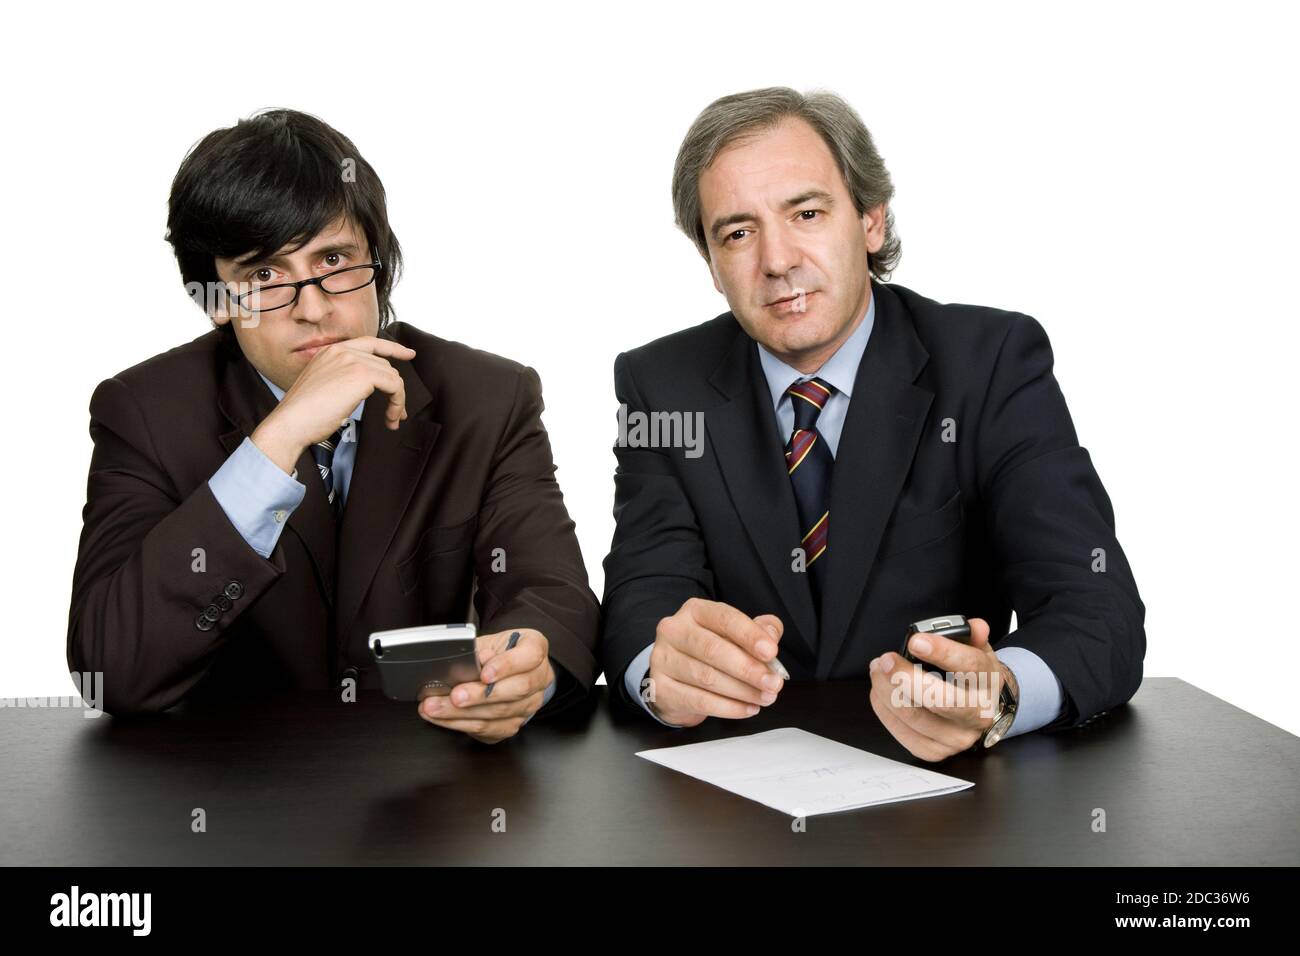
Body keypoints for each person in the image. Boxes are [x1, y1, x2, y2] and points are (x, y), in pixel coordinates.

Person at [600, 87, 1145, 760]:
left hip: (953, 804)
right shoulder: (662, 385)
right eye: (737, 233)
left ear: (871, 222)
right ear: (712, 265)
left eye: (806, 212)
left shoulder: (990, 364)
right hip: (729, 799)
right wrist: (662, 675)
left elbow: (1097, 609)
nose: (776, 261)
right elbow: (641, 594)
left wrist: (1000, 694)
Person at [67, 109, 599, 743]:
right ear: (215, 300)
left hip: (430, 788)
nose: (313, 308)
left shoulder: (488, 395)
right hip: (224, 793)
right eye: (263, 275)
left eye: (336, 259)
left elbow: (552, 594)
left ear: (380, 260)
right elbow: (110, 667)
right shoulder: (144, 411)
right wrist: (276, 441)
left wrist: (526, 670)